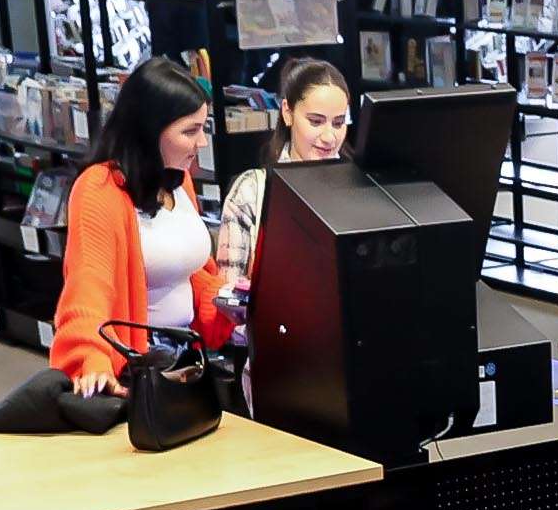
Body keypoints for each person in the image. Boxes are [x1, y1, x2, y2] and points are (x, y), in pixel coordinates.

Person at [47, 58, 233, 397]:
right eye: (190, 131)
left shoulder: (178, 179)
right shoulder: (99, 189)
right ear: (150, 131)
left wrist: (227, 299)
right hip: (138, 367)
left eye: (203, 128)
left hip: (189, 357)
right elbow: (89, 283)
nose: (201, 143)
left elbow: (187, 269)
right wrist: (90, 357)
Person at [213, 56, 351, 297]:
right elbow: (230, 295)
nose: (329, 137)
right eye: (316, 122)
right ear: (287, 112)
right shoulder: (252, 190)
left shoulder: (358, 187)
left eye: (339, 123)